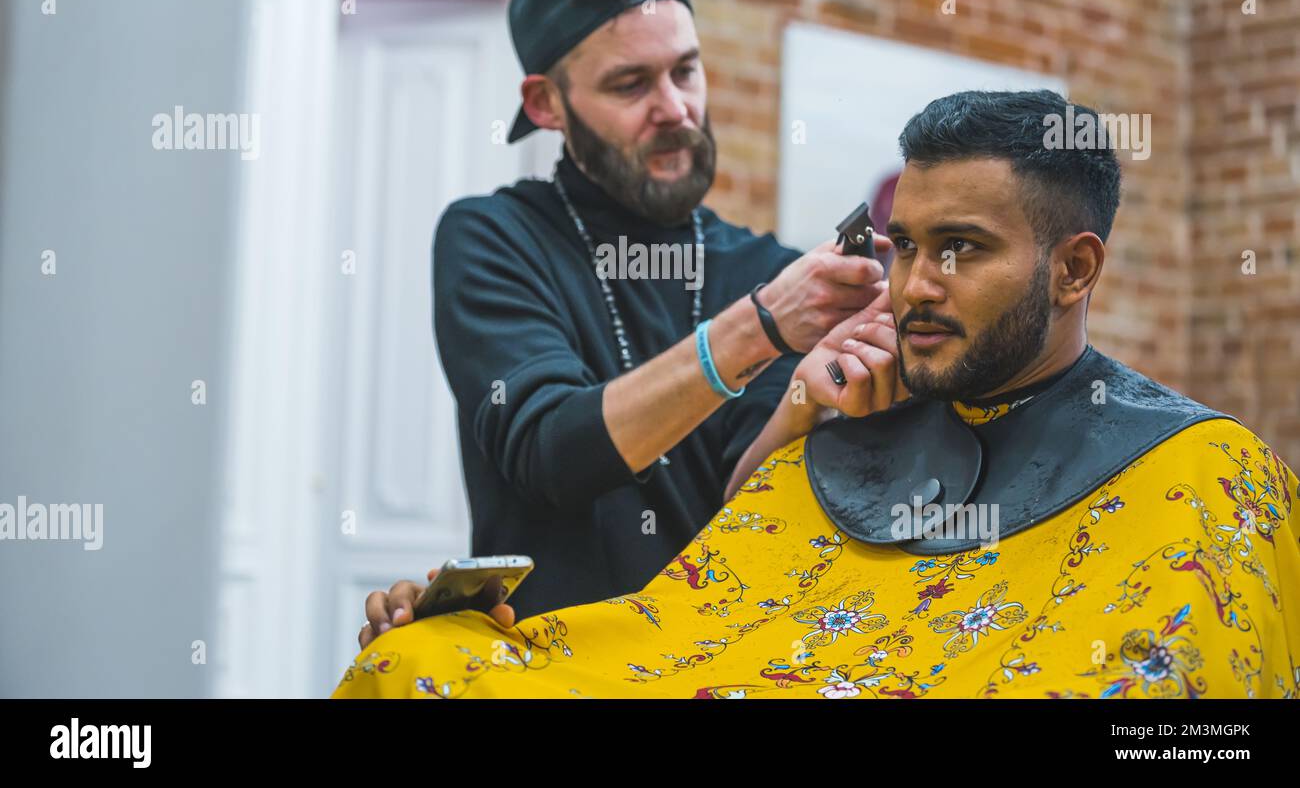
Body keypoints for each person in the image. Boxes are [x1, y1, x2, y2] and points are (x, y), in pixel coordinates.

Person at [336, 90, 1298, 698]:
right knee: (420, 663)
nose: (917, 284)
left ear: (1075, 268)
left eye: (962, 248)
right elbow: (703, 619)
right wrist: (800, 412)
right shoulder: (853, 415)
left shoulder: (1205, 475)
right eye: (908, 246)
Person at [357, 0, 893, 644]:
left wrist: (810, 396)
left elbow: (745, 495)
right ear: (546, 102)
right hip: (546, 673)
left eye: (686, 71)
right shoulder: (494, 237)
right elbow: (549, 451)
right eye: (630, 84)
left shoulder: (763, 266)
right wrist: (762, 329)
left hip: (716, 666)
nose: (674, 108)